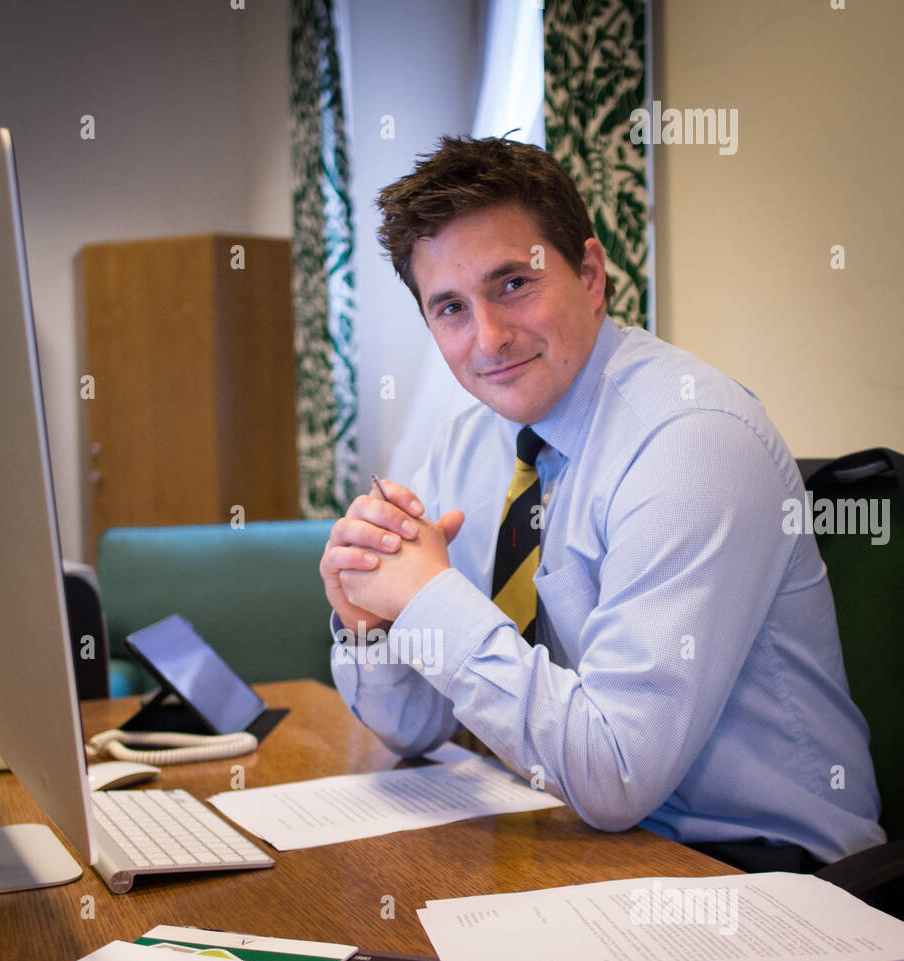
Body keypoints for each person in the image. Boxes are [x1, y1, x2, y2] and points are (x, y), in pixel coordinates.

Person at [318, 135, 885, 869]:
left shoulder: (690, 439)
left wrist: (426, 599)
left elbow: (615, 773)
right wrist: (371, 625)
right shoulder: (465, 441)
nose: (487, 337)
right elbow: (409, 727)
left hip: (757, 869)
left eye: (512, 284)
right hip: (577, 837)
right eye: (450, 307)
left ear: (588, 274)